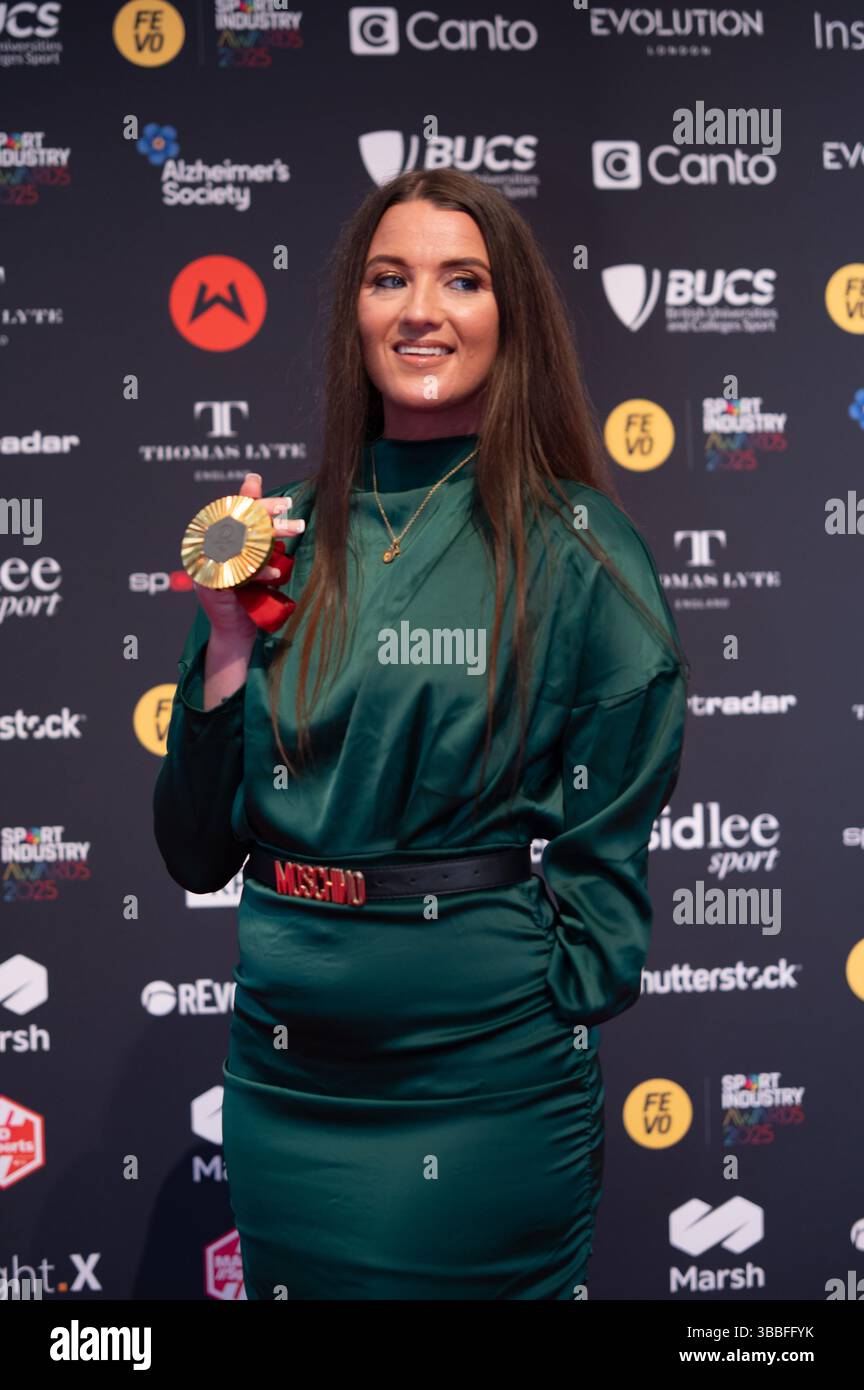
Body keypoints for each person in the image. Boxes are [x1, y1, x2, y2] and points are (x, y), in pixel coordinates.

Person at [153, 168, 689, 1300]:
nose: (421, 310)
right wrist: (226, 640)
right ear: (354, 311)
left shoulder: (574, 540)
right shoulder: (279, 534)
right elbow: (197, 850)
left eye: (463, 279)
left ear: (513, 317)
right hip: (287, 1081)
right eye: (389, 278)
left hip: (483, 1082)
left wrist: (551, 997)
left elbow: (619, 796)